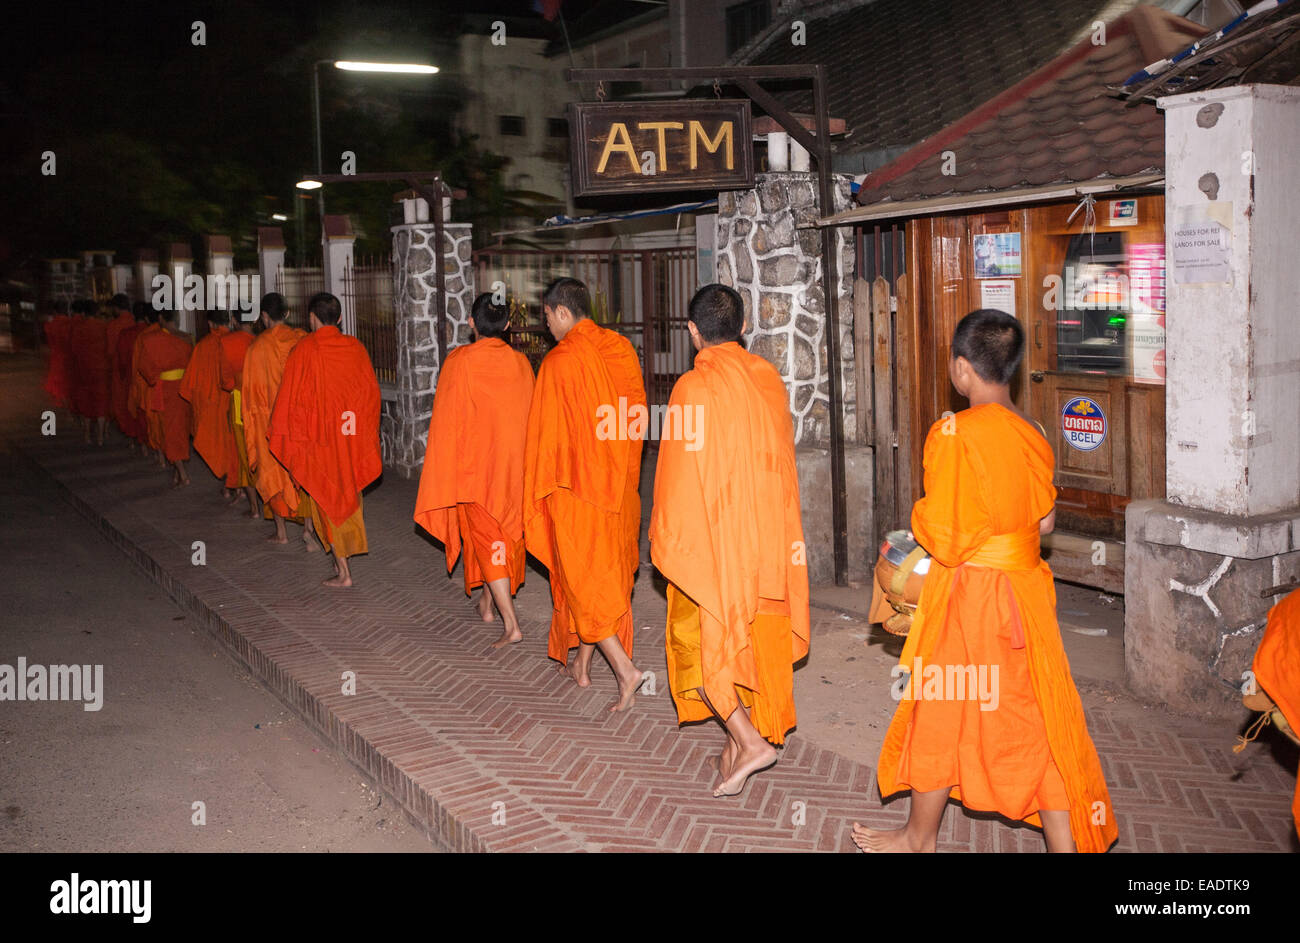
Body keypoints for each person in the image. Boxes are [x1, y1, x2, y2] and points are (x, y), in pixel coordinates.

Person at [852, 309, 1116, 854]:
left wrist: (916, 526)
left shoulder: (953, 434)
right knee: (1036, 717)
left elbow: (946, 537)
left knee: (937, 705)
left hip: (971, 597)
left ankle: (919, 838)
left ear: (961, 369)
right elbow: (1044, 523)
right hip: (1026, 597)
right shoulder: (1033, 432)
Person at [649, 284, 810, 797]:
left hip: (721, 543)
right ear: (743, 328)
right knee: (756, 636)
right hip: (770, 539)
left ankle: (749, 739)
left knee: (710, 639)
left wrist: (670, 539)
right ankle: (737, 746)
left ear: (693, 333)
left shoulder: (692, 390)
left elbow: (676, 480)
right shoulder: (767, 379)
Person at [523, 277, 646, 712]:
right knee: (596, 579)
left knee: (583, 583)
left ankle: (627, 671)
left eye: (547, 318)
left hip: (576, 490)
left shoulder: (559, 362)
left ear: (560, 312)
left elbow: (545, 438)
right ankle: (582, 666)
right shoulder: (620, 349)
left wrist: (542, 483)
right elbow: (636, 418)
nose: (547, 328)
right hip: (617, 487)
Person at [414, 293, 535, 648]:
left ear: (471, 323)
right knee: (502, 540)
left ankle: (511, 624)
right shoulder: (522, 365)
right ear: (509, 326)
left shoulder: (459, 361)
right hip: (513, 470)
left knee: (490, 541)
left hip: (476, 473)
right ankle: (487, 604)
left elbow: (446, 419)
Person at [269, 292, 381, 588]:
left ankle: (343, 572)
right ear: (340, 318)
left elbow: (292, 402)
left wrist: (297, 437)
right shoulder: (355, 348)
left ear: (311, 318)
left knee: (326, 497)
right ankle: (336, 559)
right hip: (350, 436)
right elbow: (370, 395)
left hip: (320, 441)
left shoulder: (304, 350)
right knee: (347, 491)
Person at [242, 293, 312, 547]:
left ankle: (281, 532)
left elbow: (250, 396)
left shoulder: (256, 348)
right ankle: (308, 528)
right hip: (298, 418)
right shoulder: (302, 340)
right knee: (302, 472)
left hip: (270, 420)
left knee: (271, 472)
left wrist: (251, 425)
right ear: (287, 314)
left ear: (263, 316)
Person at [179, 310, 237, 494]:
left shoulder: (202, 347)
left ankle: (228, 483)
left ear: (211, 324)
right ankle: (238, 486)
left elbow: (189, 384)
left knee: (217, 445)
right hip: (233, 403)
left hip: (210, 406)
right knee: (233, 445)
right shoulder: (236, 342)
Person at [136, 309, 194, 487]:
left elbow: (144, 368)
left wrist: (155, 378)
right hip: (184, 389)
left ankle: (183, 475)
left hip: (166, 390)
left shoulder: (151, 340)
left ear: (161, 318)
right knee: (180, 430)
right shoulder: (186, 338)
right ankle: (178, 473)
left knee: (170, 432)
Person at [218, 308, 259, 516]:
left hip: (240, 404)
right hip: (263, 405)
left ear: (234, 320)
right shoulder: (262, 341)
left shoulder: (227, 343)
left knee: (244, 454)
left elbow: (225, 382)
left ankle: (254, 508)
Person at [70, 300, 112, 445]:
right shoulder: (104, 327)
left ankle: (87, 435)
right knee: (101, 402)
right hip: (102, 368)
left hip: (84, 368)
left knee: (86, 402)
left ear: (83, 313)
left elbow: (74, 350)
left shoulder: (78, 328)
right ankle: (100, 436)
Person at [129, 307, 166, 466]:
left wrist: (137, 391)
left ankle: (160, 456)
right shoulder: (168, 335)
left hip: (149, 386)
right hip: (168, 386)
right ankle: (166, 455)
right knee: (165, 424)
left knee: (154, 424)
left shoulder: (143, 338)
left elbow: (137, 366)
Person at [116, 303, 150, 451]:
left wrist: (123, 374)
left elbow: (122, 358)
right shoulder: (153, 333)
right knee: (147, 412)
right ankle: (149, 442)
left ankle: (133, 440)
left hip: (132, 376)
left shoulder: (126, 334)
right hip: (149, 378)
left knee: (132, 409)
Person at [104, 294, 135, 441]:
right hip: (137, 368)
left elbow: (110, 351)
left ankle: (128, 433)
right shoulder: (135, 321)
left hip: (119, 368)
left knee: (121, 401)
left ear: (116, 308)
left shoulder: (113, 326)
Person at [42, 300, 74, 411]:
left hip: (56, 356)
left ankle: (62, 404)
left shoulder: (50, 325)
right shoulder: (71, 323)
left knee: (58, 382)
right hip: (69, 356)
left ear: (55, 311)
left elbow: (49, 339)